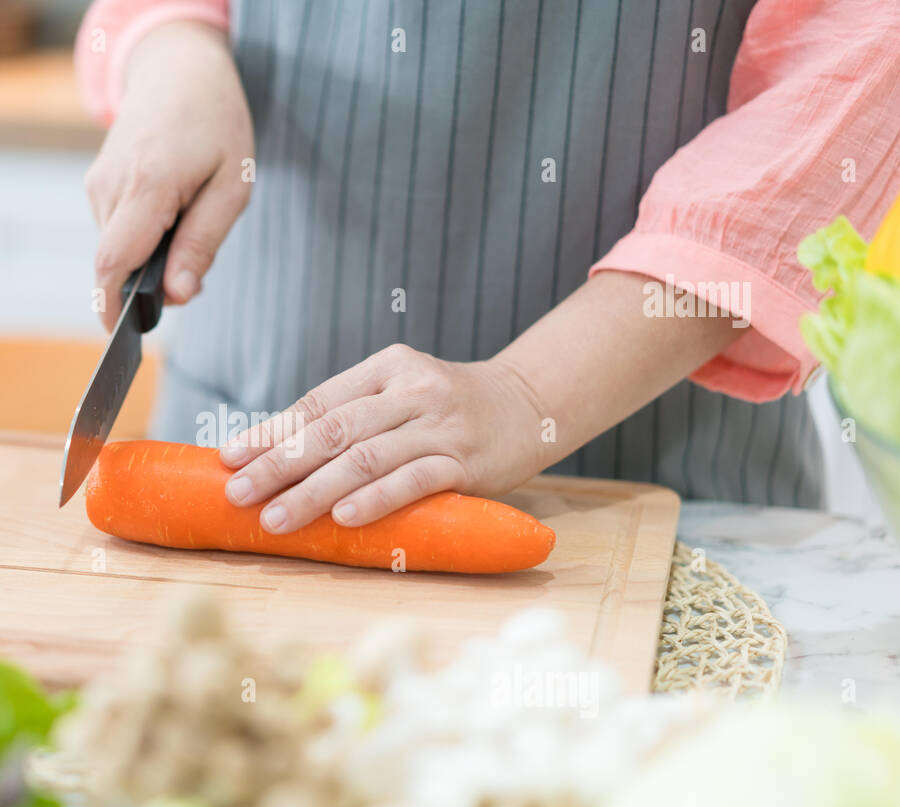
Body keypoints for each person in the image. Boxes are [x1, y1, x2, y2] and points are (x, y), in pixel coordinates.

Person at [74, 0, 900, 535]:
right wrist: (171, 48)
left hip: (650, 495)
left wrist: (529, 396)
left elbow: (852, 77)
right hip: (231, 464)